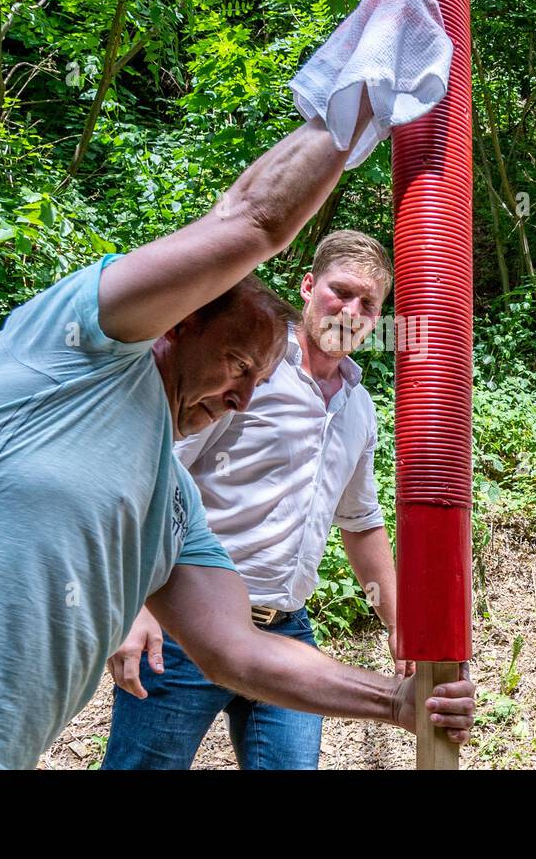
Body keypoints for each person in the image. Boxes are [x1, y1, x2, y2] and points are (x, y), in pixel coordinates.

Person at [0, 76, 474, 771]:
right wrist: (369, 90)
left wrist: (398, 701)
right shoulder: (74, 355)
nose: (245, 398)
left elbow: (239, 652)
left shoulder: (173, 502)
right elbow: (252, 220)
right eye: (239, 367)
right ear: (175, 325)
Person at [103, 230, 405, 770]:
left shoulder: (359, 408)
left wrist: (396, 621)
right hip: (186, 627)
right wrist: (135, 603)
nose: (352, 310)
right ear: (308, 286)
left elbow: (359, 522)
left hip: (287, 630)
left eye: (369, 302)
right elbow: (154, 465)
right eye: (341, 291)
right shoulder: (249, 367)